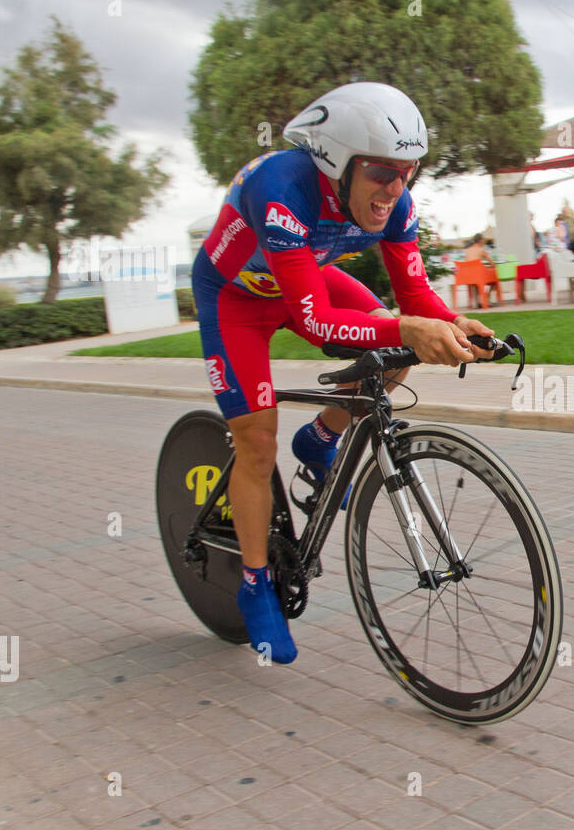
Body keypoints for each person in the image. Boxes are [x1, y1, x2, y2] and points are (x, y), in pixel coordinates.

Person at [190, 82, 494, 664]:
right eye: (382, 171)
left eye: (408, 172)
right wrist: (409, 328)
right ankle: (255, 586)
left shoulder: (396, 205)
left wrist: (455, 323)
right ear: (336, 162)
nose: (395, 188)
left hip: (301, 280)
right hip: (236, 301)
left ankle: (323, 434)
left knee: (397, 350)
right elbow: (318, 322)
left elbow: (413, 294)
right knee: (256, 441)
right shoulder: (279, 188)